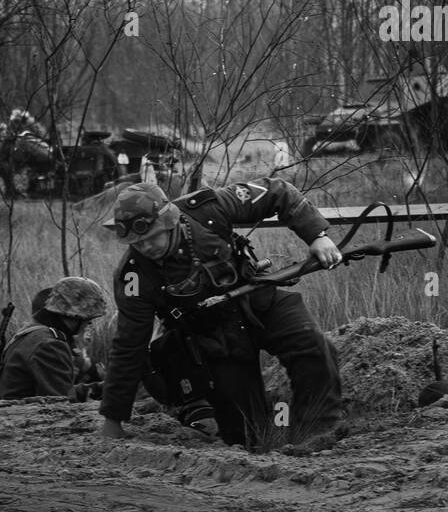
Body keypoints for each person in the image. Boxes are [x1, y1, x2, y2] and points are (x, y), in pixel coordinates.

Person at [99, 179, 344, 451]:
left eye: (151, 237)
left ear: (169, 220)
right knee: (245, 436)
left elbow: (278, 191)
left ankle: (317, 434)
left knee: (311, 345)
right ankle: (276, 422)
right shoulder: (133, 275)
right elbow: (129, 344)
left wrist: (317, 236)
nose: (146, 248)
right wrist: (114, 418)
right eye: (137, 243)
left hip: (258, 301)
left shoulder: (208, 209)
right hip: (213, 338)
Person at [0, 277, 108, 400]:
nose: (88, 324)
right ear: (76, 316)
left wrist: (104, 388)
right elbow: (62, 406)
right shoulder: (49, 345)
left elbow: (61, 394)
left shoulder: (32, 331)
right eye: (88, 320)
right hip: (21, 417)